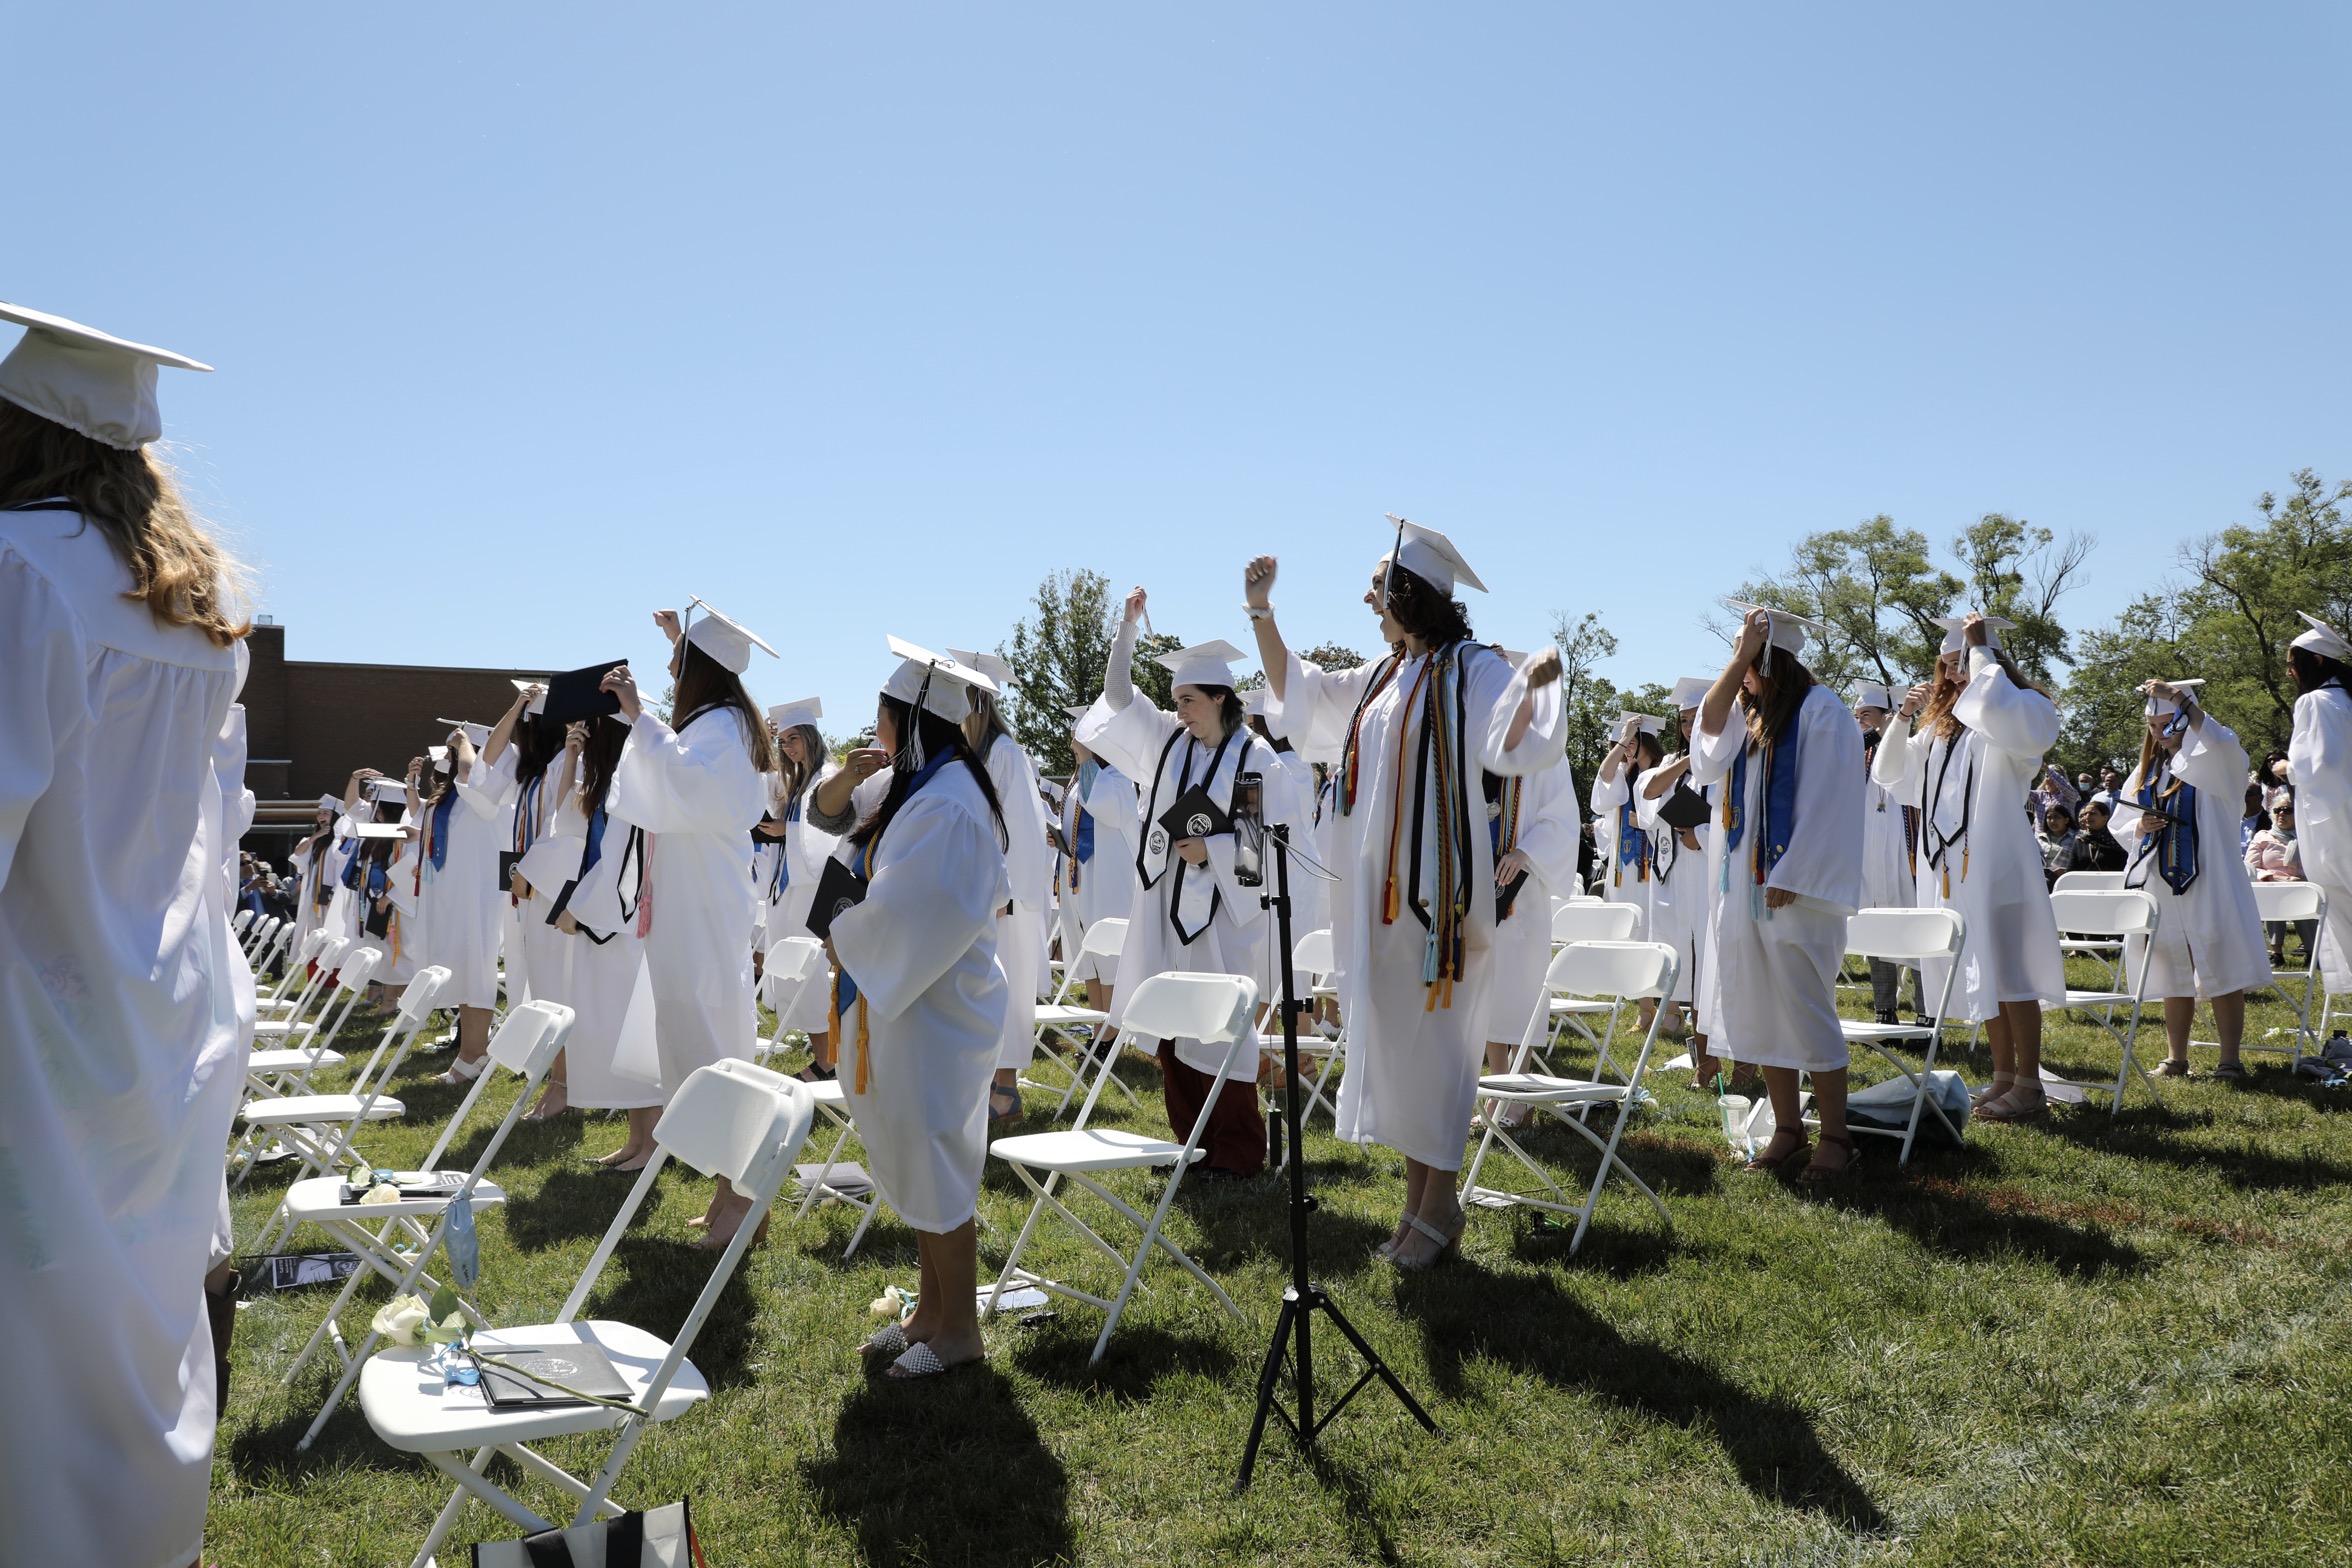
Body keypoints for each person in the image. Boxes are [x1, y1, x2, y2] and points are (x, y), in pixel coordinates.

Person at [0, 303, 255, 1567]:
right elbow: (221, 825)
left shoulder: (17, 569)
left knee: (39, 1350)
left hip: (39, 1022)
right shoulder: (195, 608)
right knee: (144, 1323)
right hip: (166, 1015)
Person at [1245, 522, 1565, 1268]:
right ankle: (1420, 1205)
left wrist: (1542, 683)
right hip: (1383, 904)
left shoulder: (1472, 668)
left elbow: (1517, 735)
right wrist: (1261, 612)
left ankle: (1439, 1207)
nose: (1368, 599)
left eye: (1377, 586)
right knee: (1402, 1052)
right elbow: (1300, 691)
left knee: (1440, 1051)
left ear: (1409, 593)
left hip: (1440, 901)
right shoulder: (1386, 676)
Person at [810, 640, 1009, 1380]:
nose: (878, 729)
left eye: (885, 715)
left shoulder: (949, 799)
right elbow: (832, 821)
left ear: (915, 718)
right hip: (912, 1000)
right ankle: (928, 1312)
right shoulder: (925, 783)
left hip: (938, 1006)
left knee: (936, 1159)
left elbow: (920, 908)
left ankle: (960, 1331)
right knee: (915, 1158)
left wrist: (846, 936)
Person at [1077, 605, 1285, 1178]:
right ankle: (1191, 1145)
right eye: (1175, 701)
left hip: (1222, 915)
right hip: (1165, 907)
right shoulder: (1171, 743)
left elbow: (1256, 849)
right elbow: (1118, 695)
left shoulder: (1253, 757)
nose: (1180, 711)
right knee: (1172, 1024)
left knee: (1219, 1029)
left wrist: (1210, 850)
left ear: (1220, 697)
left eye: (1188, 700)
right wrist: (1126, 628)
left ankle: (1238, 1152)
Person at [600, 599, 776, 1247]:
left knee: (712, 1044)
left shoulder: (723, 725)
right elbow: (679, 772)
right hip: (693, 900)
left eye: (680, 660)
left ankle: (744, 1204)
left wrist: (638, 718)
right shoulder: (719, 719)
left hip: (703, 905)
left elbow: (690, 786)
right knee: (702, 1040)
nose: (671, 671)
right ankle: (731, 1195)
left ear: (701, 669)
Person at [1687, 604, 1866, 1177]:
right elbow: (1705, 744)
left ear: (1772, 661)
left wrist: (1795, 872)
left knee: (1805, 1008)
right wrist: (1741, 654)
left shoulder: (1822, 710)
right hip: (1745, 888)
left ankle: (1836, 1137)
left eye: (1748, 663)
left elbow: (1833, 801)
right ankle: (1788, 1130)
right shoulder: (1748, 717)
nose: (1740, 675)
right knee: (1762, 1009)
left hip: (1794, 889)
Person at [1874, 613, 2067, 1121]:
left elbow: (2004, 714)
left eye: (1962, 661)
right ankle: (2004, 1077)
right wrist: (1903, 717)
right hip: (1950, 867)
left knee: (2011, 972)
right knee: (1984, 974)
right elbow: (1893, 775)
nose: (1955, 673)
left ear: (1989, 660)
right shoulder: (1941, 727)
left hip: (1999, 862)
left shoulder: (2020, 709)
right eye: (1946, 665)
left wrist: (1979, 649)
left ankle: (2030, 1085)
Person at [2107, 681, 2271, 1080]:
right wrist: (2141, 826)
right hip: (2161, 880)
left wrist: (2179, 698)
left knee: (2221, 963)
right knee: (2172, 967)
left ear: (2187, 718)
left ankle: (2229, 1059)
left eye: (2169, 723)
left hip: (2210, 879)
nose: (2160, 734)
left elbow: (2222, 742)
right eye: (2153, 726)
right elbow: (2122, 823)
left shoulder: (2216, 762)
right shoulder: (2148, 770)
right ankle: (2176, 1057)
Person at [529, 711, 666, 1164]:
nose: (583, 735)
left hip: (622, 925)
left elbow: (625, 866)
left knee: (632, 1034)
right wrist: (571, 759)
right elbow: (565, 823)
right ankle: (635, 1140)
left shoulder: (633, 785)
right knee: (613, 1031)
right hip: (602, 919)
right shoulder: (606, 783)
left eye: (591, 730)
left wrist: (581, 910)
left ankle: (651, 1143)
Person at [948, 649, 1056, 1126]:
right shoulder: (969, 754)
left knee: (1005, 987)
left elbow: (1022, 831)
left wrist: (1004, 895)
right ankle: (984, 1082)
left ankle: (1006, 1090)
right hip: (977, 894)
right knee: (979, 989)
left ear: (975, 701)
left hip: (1005, 899)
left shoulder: (1005, 753)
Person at [1479, 661, 1582, 1130]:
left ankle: (1516, 1095)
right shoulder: (1479, 749)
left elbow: (1563, 820)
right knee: (1484, 995)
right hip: (1477, 888)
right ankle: (1497, 1089)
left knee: (1518, 993)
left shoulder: (1548, 755)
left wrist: (1524, 852)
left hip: (1524, 892)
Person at [1633, 678, 1719, 1075]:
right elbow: (1649, 792)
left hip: (1707, 870)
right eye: (1684, 721)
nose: (1689, 727)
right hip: (1672, 874)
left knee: (1707, 963)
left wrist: (1702, 835)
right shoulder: (1673, 762)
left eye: (1696, 718)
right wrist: (1687, 760)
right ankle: (1699, 1050)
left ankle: (1714, 1058)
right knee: (1680, 959)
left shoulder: (1725, 762)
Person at [413, 721, 506, 1084]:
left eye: (458, 751)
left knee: (476, 971)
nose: (453, 757)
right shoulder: (449, 793)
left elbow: (470, 775)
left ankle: (474, 1055)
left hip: (479, 892)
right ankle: (470, 1052)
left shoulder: (488, 785)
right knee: (462, 971)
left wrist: (466, 741)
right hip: (452, 893)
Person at [758, 698, 843, 1080]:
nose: (788, 747)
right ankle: (824, 1058)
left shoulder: (828, 777)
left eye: (794, 738)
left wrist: (786, 831)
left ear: (810, 736)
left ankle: (828, 1062)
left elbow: (829, 836)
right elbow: (765, 782)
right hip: (791, 889)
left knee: (811, 976)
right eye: (783, 741)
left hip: (812, 891)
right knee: (797, 976)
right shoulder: (800, 779)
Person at [1053, 703, 1141, 1022]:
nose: (1072, 745)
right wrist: (1057, 835)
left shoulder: (1118, 777)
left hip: (1107, 877)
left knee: (1108, 953)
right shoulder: (1079, 780)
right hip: (1079, 875)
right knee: (1087, 955)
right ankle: (1097, 1024)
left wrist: (1088, 759)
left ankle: (1113, 1028)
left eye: (1078, 738)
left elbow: (1108, 810)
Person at [2287, 613, 2352, 1003]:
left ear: (2317, 661)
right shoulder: (2345, 700)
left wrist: (2289, 767)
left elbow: (2323, 763)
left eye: (2293, 663)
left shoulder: (2315, 701)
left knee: (2342, 902)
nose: (2290, 672)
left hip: (2334, 823)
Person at [1851, 680, 1919, 1026]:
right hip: (1868, 857)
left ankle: (1927, 1012)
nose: (1861, 722)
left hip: (1905, 856)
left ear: (1888, 716)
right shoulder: (1857, 757)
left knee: (1917, 930)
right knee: (1874, 928)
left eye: (1867, 714)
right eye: (1857, 716)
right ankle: (1885, 1011)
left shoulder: (1911, 751)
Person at [1591, 712, 1667, 942]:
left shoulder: (1665, 771)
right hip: (1624, 867)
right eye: (1626, 743)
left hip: (1657, 862)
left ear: (1648, 742)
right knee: (1623, 925)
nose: (1627, 748)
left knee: (1653, 923)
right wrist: (1624, 738)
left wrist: (1644, 823)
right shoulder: (1623, 774)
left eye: (1633, 742)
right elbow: (1604, 775)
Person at [2246, 788, 2314, 965]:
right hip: (2271, 886)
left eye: (2287, 810)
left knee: (2304, 893)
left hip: (2302, 887)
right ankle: (2277, 953)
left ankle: (2312, 952)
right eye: (2277, 810)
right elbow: (2250, 868)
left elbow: (2316, 866)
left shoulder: (2308, 838)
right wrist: (2273, 878)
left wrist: (2299, 880)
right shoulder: (2263, 836)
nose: (2281, 813)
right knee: (2273, 894)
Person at [2075, 796, 2129, 872]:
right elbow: (2071, 869)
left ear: (2105, 817)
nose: (2087, 817)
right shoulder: (2081, 840)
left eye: (2092, 813)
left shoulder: (2117, 840)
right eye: (2085, 814)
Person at [2036, 801, 2083, 888]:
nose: (2052, 821)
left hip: (2066, 879)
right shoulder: (2039, 838)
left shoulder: (2078, 837)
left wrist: (2066, 870)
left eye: (2057, 817)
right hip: (2041, 878)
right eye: (2049, 817)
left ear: (2066, 820)